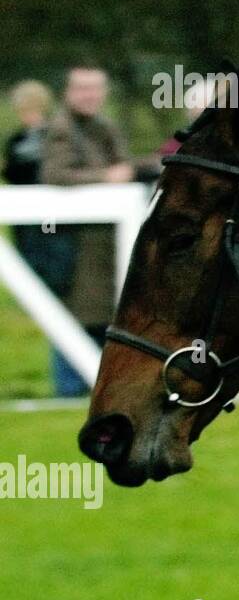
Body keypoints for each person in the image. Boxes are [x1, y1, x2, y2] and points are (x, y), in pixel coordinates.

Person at [40, 64, 152, 396]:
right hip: (76, 245)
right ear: (68, 92)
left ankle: (99, 388)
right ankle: (69, 392)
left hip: (106, 241)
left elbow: (122, 167)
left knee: (107, 315)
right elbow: (55, 174)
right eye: (82, 88)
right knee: (77, 316)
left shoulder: (105, 126)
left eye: (95, 88)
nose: (90, 95)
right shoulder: (61, 129)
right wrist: (106, 177)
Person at [4, 82, 78, 314]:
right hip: (24, 214)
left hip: (51, 213)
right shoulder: (16, 140)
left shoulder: (54, 136)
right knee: (28, 258)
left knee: (55, 258)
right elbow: (13, 173)